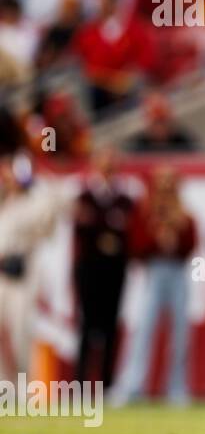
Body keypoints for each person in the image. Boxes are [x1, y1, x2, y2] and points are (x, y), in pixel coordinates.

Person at [114, 168, 197, 405]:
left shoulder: (185, 215)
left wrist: (176, 240)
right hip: (153, 271)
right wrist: (155, 240)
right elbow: (135, 246)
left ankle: (177, 388)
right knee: (142, 330)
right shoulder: (145, 213)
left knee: (181, 333)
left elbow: (194, 247)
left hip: (179, 272)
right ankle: (132, 385)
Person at [0, 153, 68, 380]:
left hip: (20, 270)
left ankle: (24, 386)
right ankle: (3, 387)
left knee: (20, 330)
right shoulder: (4, 201)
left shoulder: (34, 202)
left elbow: (47, 221)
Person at [72, 148, 135, 388]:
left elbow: (127, 232)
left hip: (114, 270)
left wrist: (98, 225)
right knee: (87, 324)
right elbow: (83, 227)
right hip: (89, 269)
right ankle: (79, 383)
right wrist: (107, 229)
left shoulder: (124, 198)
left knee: (110, 326)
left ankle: (107, 385)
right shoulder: (85, 195)